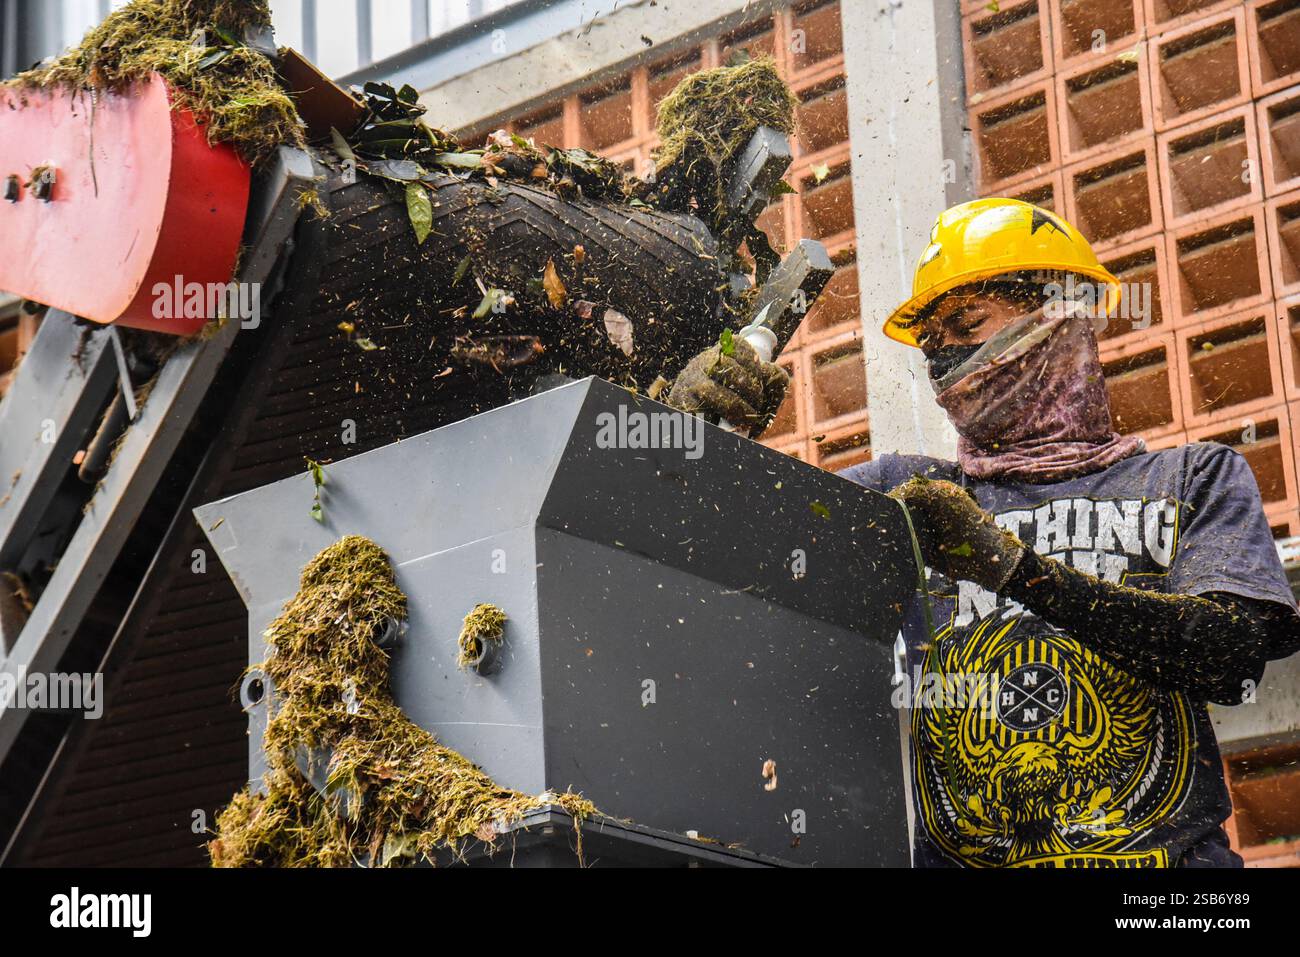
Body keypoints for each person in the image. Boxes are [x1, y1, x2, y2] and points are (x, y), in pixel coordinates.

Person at [665, 197, 1300, 868]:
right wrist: (688, 435)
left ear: (1060, 317)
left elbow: (1230, 655)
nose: (945, 359)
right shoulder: (906, 493)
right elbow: (714, 547)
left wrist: (1014, 570)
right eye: (932, 343)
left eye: (967, 323)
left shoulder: (1190, 479)